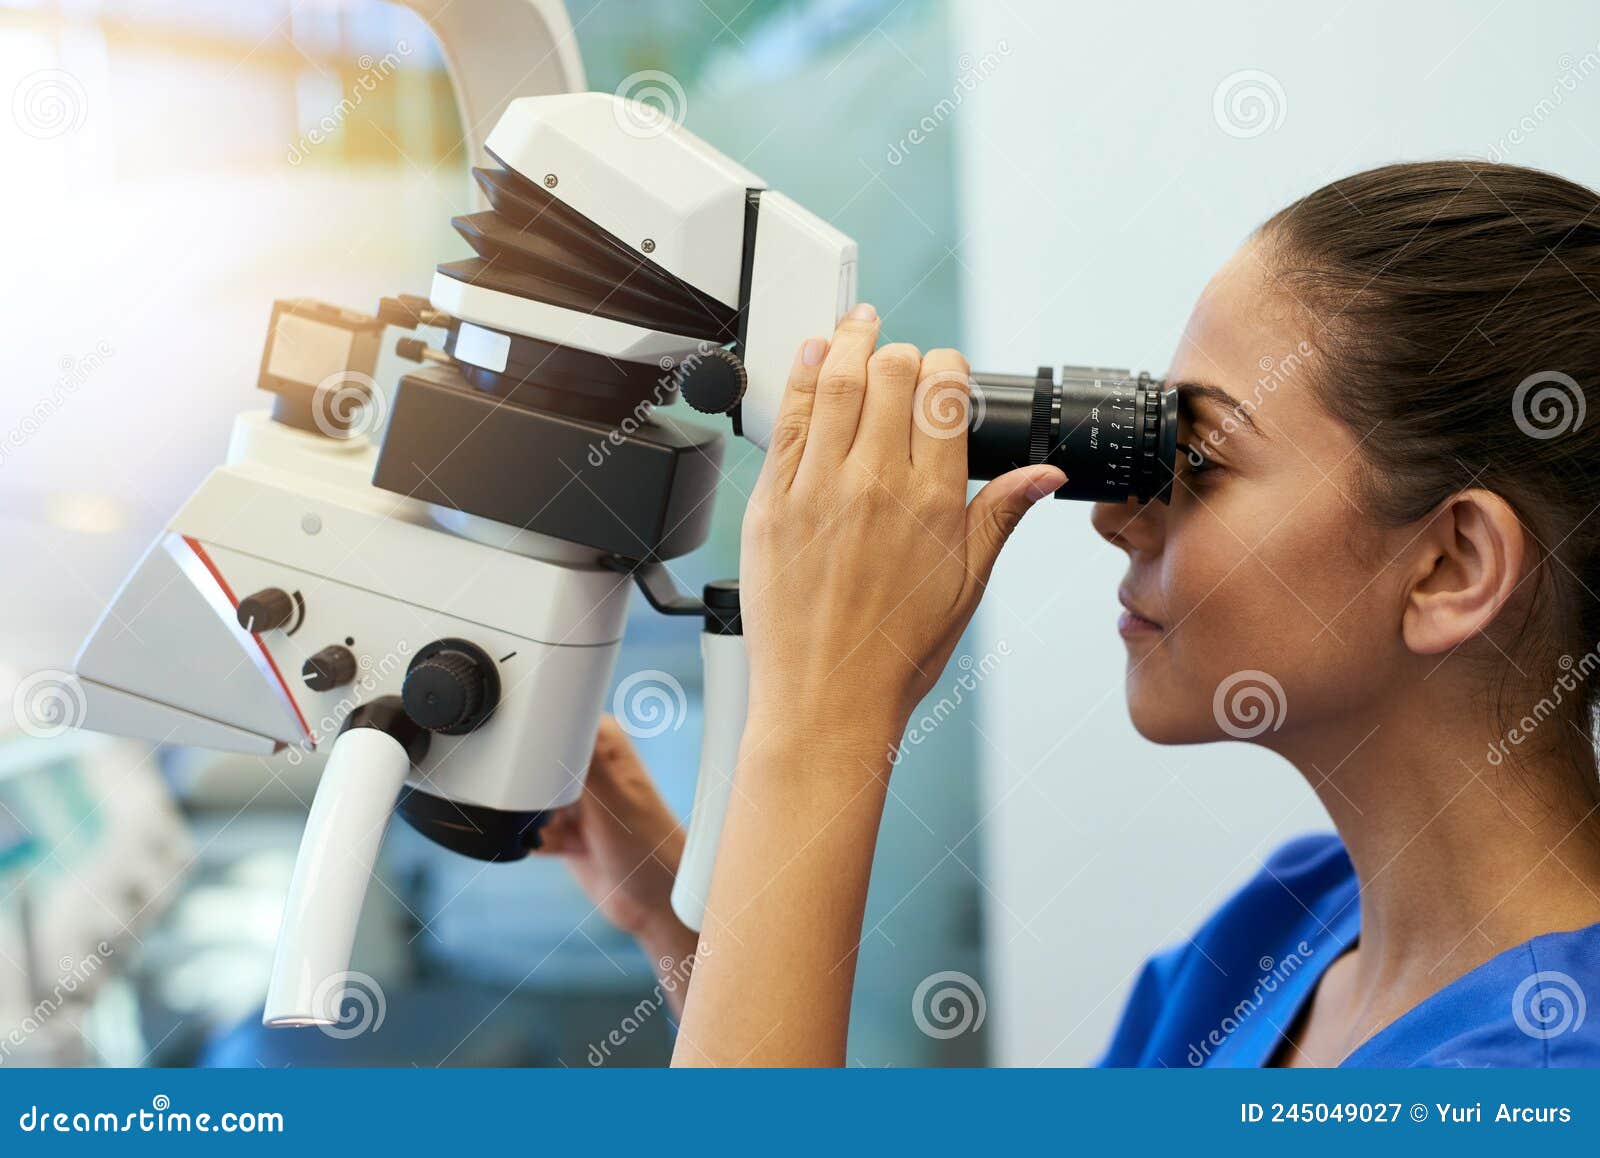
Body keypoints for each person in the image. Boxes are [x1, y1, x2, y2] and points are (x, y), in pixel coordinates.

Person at [536, 161, 1600, 1067]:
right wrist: (682, 920)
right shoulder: (1292, 926)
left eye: (1199, 459)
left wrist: (825, 721)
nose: (1117, 519)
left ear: (1450, 566)